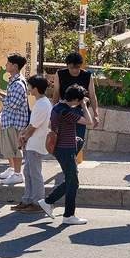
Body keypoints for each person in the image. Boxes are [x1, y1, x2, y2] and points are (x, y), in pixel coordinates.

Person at [37, 86, 90, 225]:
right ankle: (66, 214)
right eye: (79, 101)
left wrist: (71, 137)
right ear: (76, 100)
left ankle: (49, 202)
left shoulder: (57, 107)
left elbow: (56, 125)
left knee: (71, 181)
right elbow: (89, 122)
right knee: (73, 182)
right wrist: (84, 105)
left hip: (62, 148)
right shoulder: (66, 111)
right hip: (65, 150)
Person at [0, 53, 29, 186]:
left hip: (14, 122)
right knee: (9, 148)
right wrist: (1, 93)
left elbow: (12, 104)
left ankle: (18, 174)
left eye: (8, 63)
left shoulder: (18, 83)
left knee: (15, 149)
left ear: (15, 66)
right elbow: (13, 98)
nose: (6, 65)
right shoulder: (14, 80)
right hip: (9, 121)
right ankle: (13, 170)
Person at [15, 75, 52, 213]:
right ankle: (28, 200)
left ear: (35, 88)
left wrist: (23, 138)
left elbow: (33, 127)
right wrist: (24, 136)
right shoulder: (42, 102)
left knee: (35, 174)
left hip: (36, 143)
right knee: (28, 172)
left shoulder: (42, 104)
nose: (28, 89)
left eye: (30, 86)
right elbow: (32, 125)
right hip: (34, 142)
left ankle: (38, 203)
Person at [57, 52, 100, 153]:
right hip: (64, 110)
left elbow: (93, 96)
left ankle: (72, 162)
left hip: (80, 110)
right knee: (65, 141)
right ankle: (69, 164)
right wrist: (53, 110)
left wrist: (96, 114)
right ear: (67, 65)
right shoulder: (60, 74)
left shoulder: (86, 75)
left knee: (79, 140)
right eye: (72, 67)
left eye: (77, 67)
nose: (75, 70)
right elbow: (56, 93)